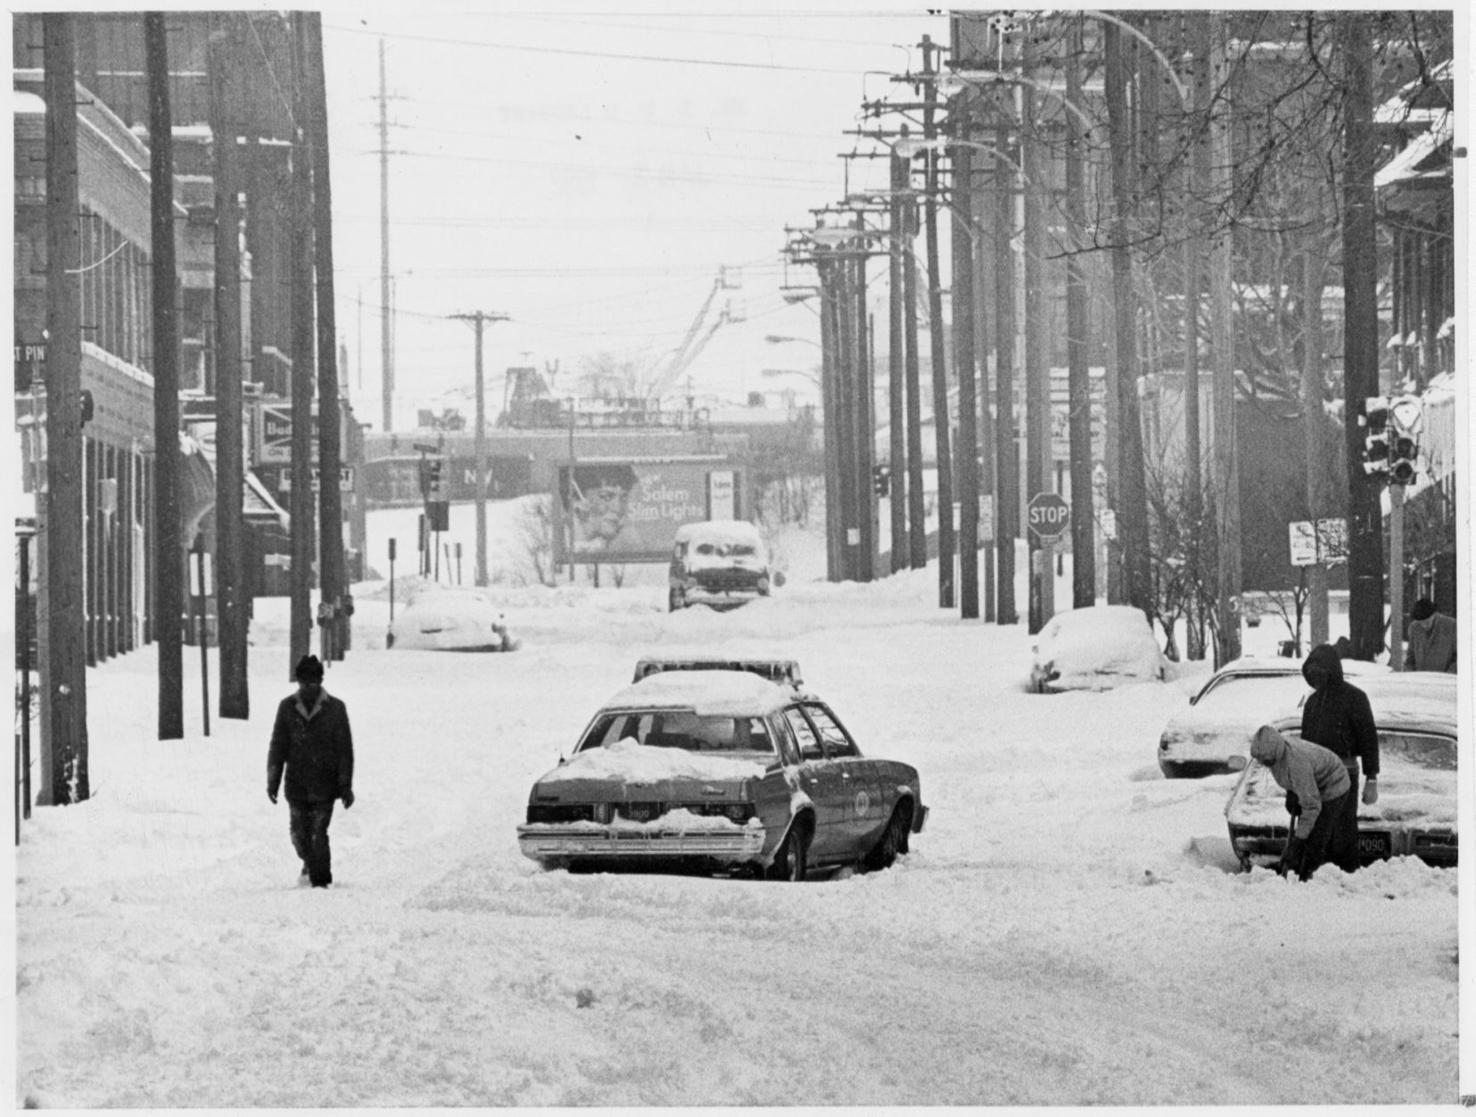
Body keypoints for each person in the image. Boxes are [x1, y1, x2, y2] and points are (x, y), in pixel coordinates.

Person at [267, 654, 355, 888]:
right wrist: (272, 780)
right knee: (298, 836)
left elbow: (344, 750)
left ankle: (321, 882)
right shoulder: (286, 708)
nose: (309, 688)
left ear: (321, 681)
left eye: (314, 683)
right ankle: (310, 863)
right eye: (305, 683)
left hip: (325, 785)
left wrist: (345, 786)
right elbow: (278, 745)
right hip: (296, 785)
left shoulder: (336, 709)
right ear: (298, 682)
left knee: (318, 833)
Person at [1298, 643, 1379, 872]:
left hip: (1345, 772)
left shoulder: (1355, 698)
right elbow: (1304, 745)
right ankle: (1317, 875)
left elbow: (1368, 739)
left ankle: (1345, 873)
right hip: (1316, 775)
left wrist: (1371, 778)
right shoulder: (1312, 703)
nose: (1315, 675)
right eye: (1311, 670)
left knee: (1343, 829)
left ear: (1331, 669)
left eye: (1319, 670)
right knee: (1318, 827)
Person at [1250, 726, 1353, 880]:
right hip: (1314, 783)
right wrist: (1292, 793)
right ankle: (1297, 870)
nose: (1263, 763)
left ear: (1275, 751)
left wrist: (1297, 842)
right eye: (1259, 759)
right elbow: (1290, 778)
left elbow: (1312, 806)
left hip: (1334, 783)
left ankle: (1308, 879)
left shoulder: (1297, 763)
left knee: (1316, 837)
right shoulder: (1275, 754)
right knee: (1306, 831)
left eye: (1265, 759)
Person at [567, 463, 638, 554]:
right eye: (606, 497)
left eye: (623, 498)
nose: (618, 508)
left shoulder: (628, 542)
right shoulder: (553, 546)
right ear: (577, 500)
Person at [1404, 598, 1457, 673]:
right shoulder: (1414, 627)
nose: (1424, 626)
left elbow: (1460, 656)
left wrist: (1449, 675)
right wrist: (1409, 672)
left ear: (1434, 614)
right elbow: (1410, 657)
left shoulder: (1452, 626)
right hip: (1421, 679)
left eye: (1427, 622)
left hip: (1445, 679)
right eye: (1421, 623)